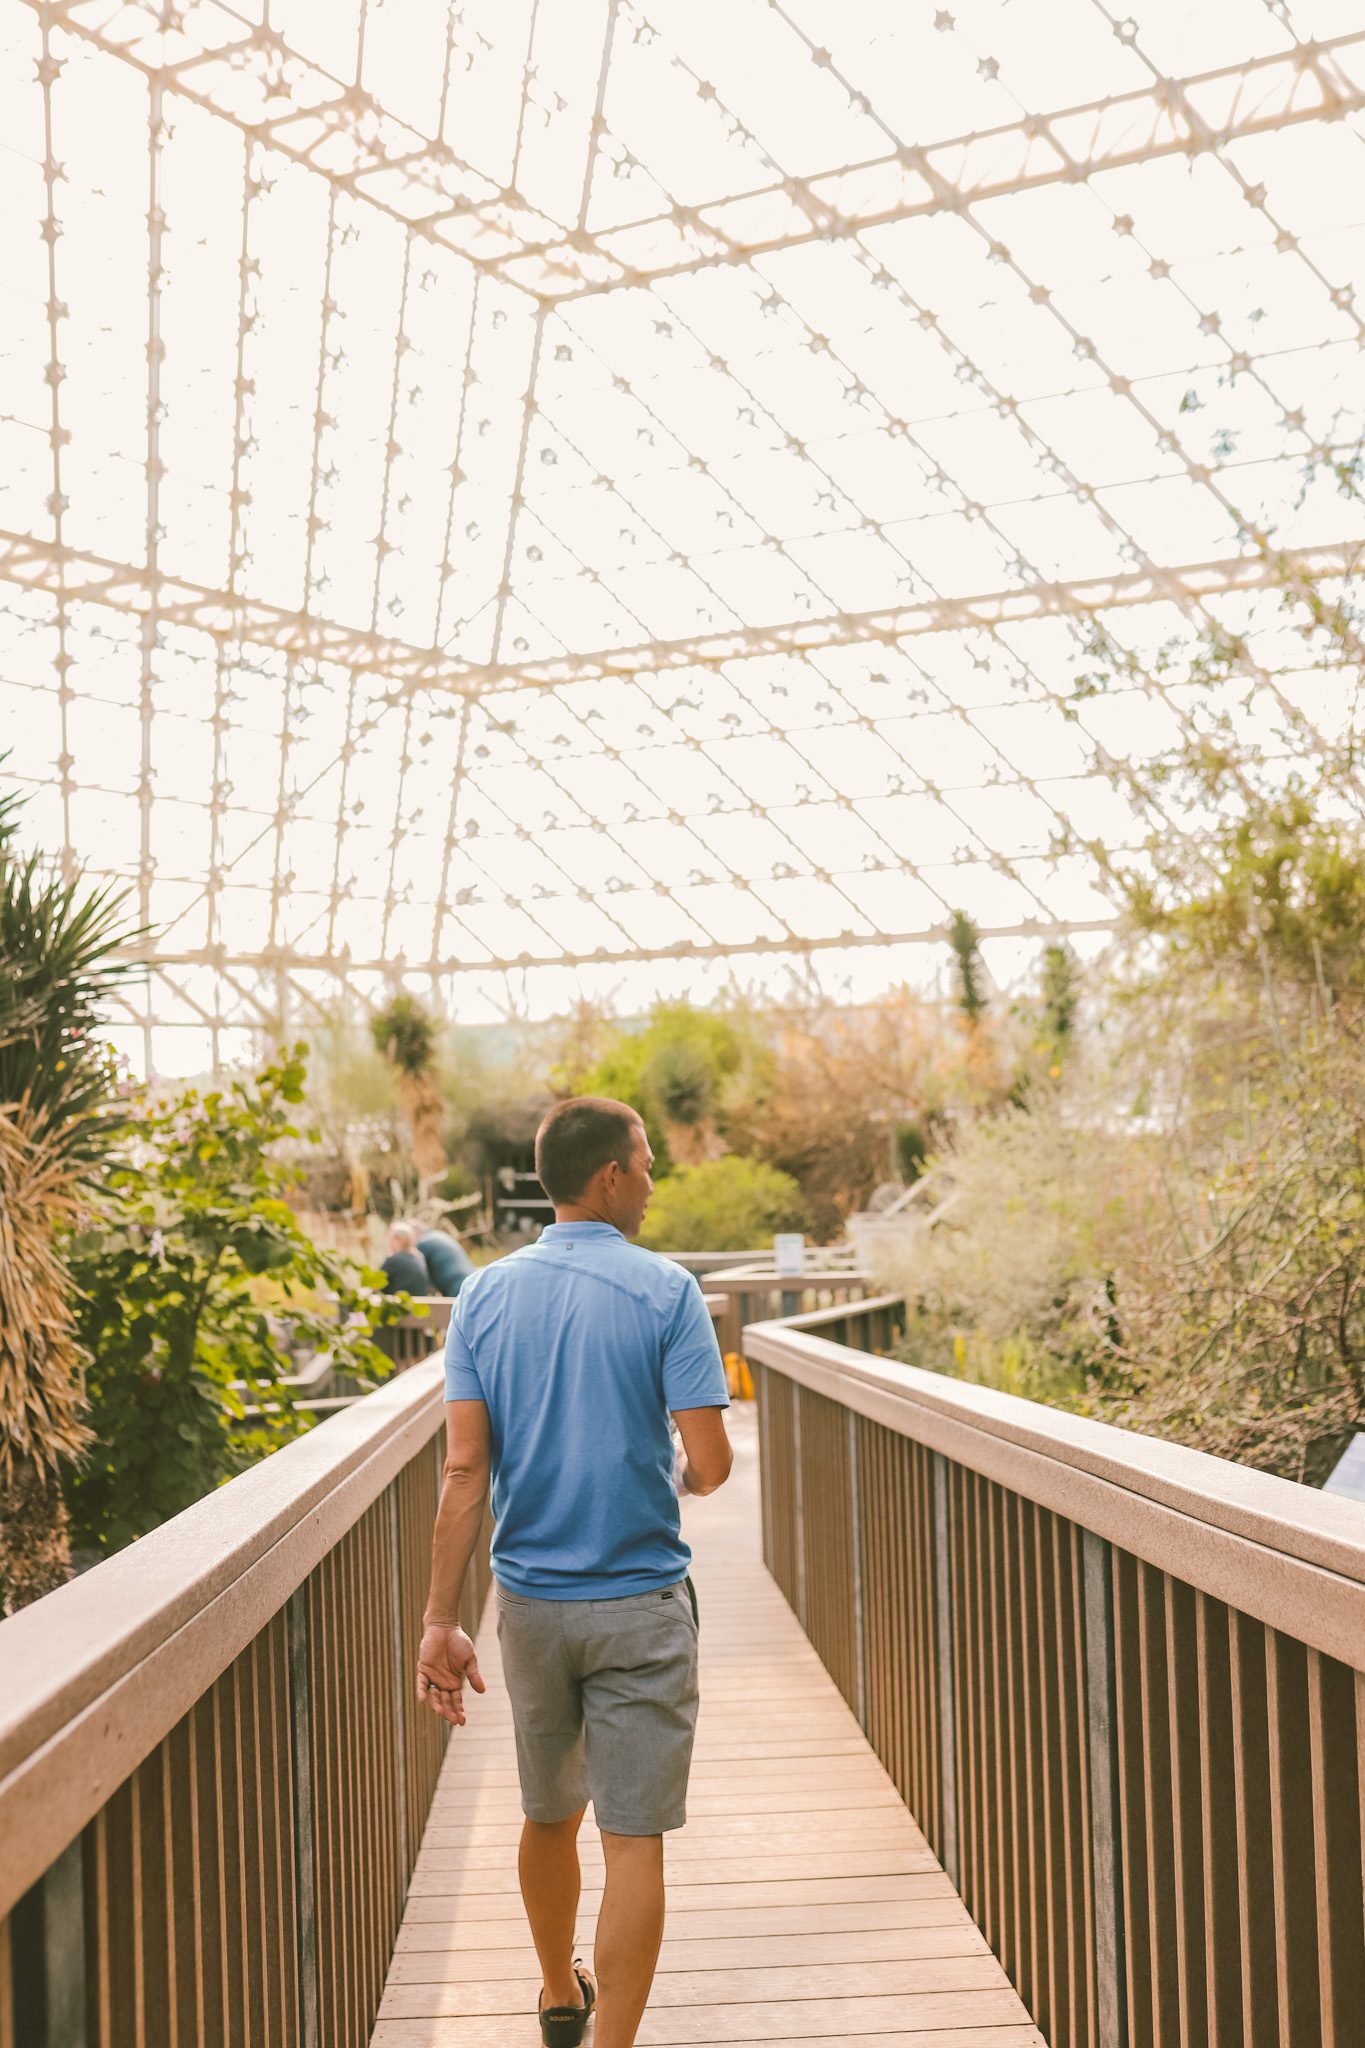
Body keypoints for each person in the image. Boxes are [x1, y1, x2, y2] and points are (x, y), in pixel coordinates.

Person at [415, 1097, 732, 2048]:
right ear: (608, 1176)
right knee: (633, 1842)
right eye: (643, 1165)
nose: (651, 1182)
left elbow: (465, 1468)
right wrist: (672, 1470)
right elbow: (710, 1465)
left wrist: (440, 1619)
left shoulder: (483, 1296)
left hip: (532, 1608)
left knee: (548, 1811)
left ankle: (559, 1991)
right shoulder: (667, 1291)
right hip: (638, 1603)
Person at [416, 1223, 475, 1297]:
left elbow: (415, 1269)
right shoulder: (440, 1236)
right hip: (471, 1283)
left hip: (457, 1288)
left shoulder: (423, 1243)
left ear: (415, 1234)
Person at [380, 1221, 431, 1294]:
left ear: (399, 1240)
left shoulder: (394, 1260)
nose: (389, 1243)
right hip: (419, 1303)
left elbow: (374, 1286)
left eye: (390, 1238)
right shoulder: (419, 1258)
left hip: (399, 1304)